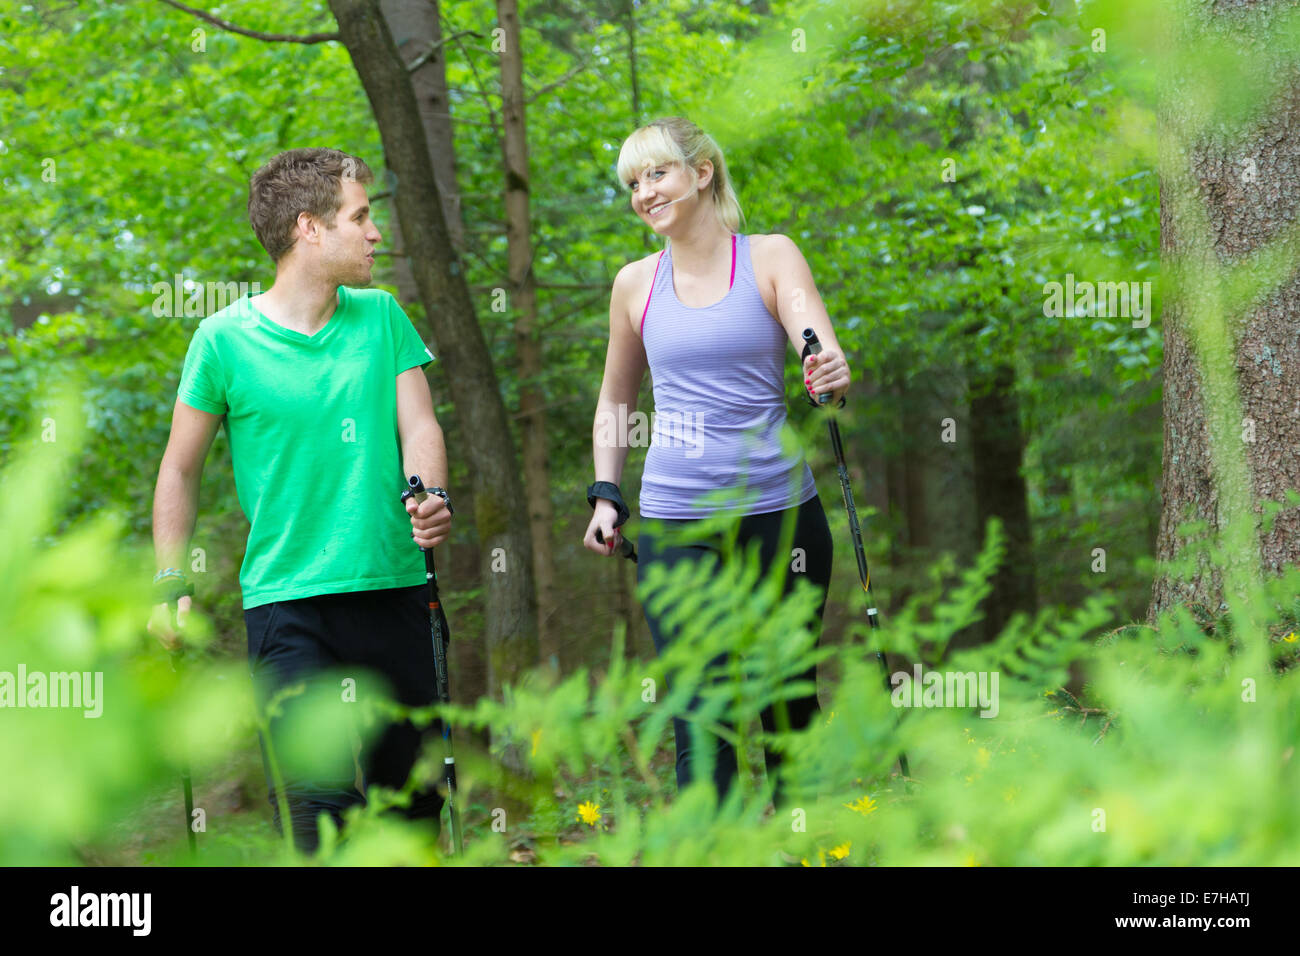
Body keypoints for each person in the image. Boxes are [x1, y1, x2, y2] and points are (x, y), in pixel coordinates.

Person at [148, 148, 454, 854]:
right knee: (315, 809)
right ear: (309, 228)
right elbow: (180, 470)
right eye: (361, 216)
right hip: (288, 603)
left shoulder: (381, 319)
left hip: (394, 588)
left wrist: (431, 494)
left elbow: (420, 425)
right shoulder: (222, 341)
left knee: (409, 805)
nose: (376, 233)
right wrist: (171, 579)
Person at [583, 117, 851, 804]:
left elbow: (811, 334)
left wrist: (827, 366)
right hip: (678, 521)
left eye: (657, 173)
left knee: (787, 704)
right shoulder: (635, 284)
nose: (644, 192)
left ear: (702, 173)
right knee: (702, 713)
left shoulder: (769, 257)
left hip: (779, 517)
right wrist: (606, 493)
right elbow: (617, 396)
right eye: (633, 182)